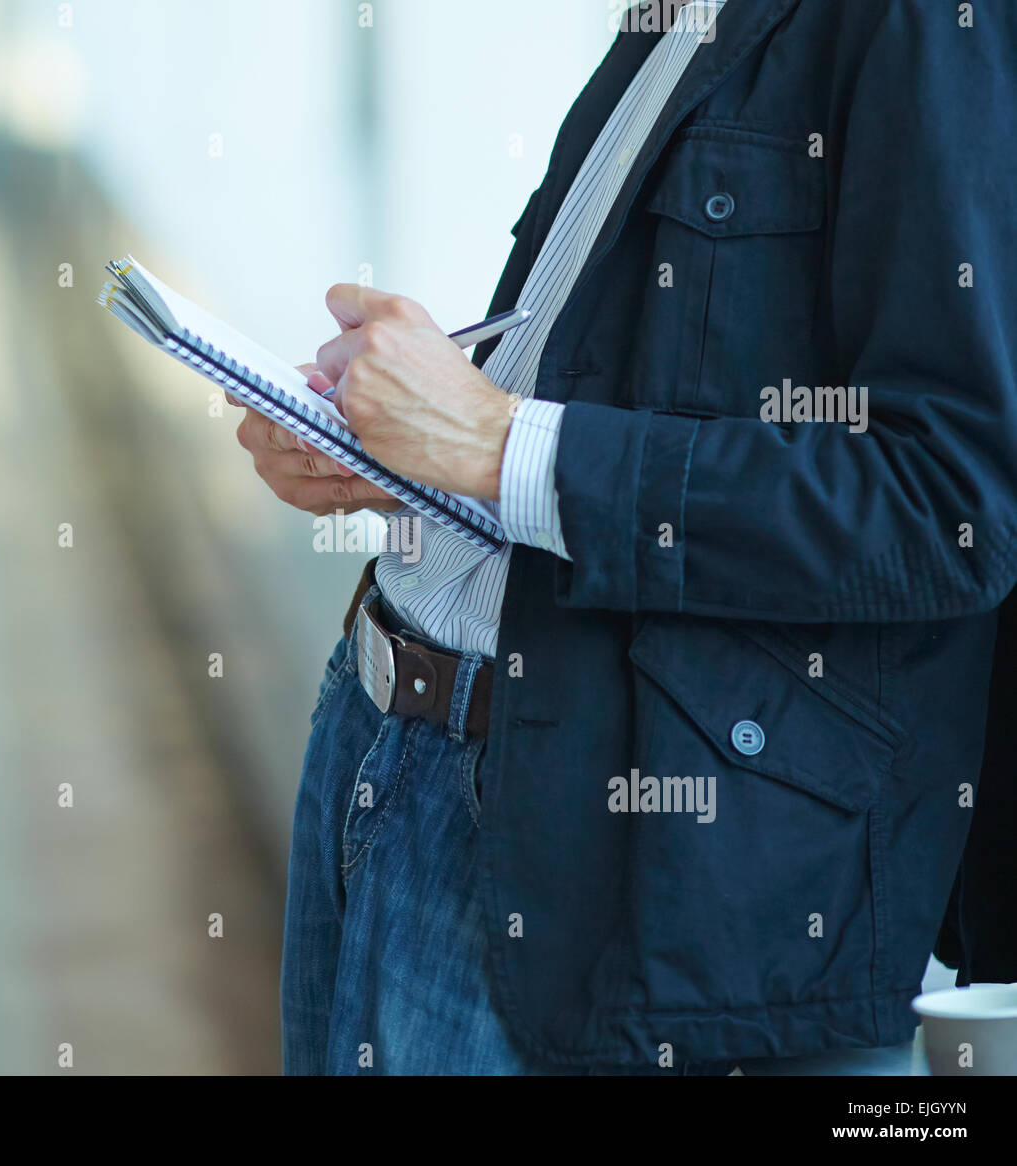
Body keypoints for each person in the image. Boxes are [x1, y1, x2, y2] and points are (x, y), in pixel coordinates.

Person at [234, 0, 1017, 1074]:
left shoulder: (923, 23)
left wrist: (490, 439)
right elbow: (612, 390)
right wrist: (395, 449)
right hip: (382, 748)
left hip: (591, 858)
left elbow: (949, 499)